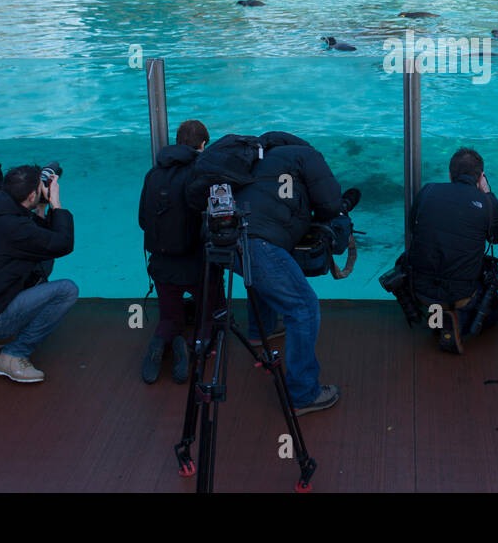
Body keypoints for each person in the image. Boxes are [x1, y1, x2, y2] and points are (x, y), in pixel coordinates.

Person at [188, 131, 348, 416]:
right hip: (256, 242)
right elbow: (331, 204)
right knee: (303, 308)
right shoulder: (305, 155)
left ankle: (260, 332)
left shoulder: (251, 160)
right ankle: (303, 395)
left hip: (221, 241)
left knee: (263, 275)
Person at [0, 165, 78, 382]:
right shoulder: (13, 227)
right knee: (67, 290)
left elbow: (39, 242)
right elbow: (62, 244)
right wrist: (56, 203)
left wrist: (39, 209)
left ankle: (2, 334)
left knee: (43, 260)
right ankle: (14, 355)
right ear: (30, 195)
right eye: (40, 188)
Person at [405, 148, 498, 353]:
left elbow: (413, 228)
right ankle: (455, 321)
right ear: (481, 177)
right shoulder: (487, 202)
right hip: (461, 294)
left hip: (419, 288)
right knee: (497, 312)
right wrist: (488, 194)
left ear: (450, 175)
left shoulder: (427, 191)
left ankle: (436, 318)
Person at [138, 119, 210, 384]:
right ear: (203, 145)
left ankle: (161, 342)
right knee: (210, 312)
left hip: (160, 263)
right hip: (195, 263)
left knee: (169, 316)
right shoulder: (200, 172)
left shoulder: (153, 173)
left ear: (178, 142)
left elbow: (142, 221)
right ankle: (194, 348)